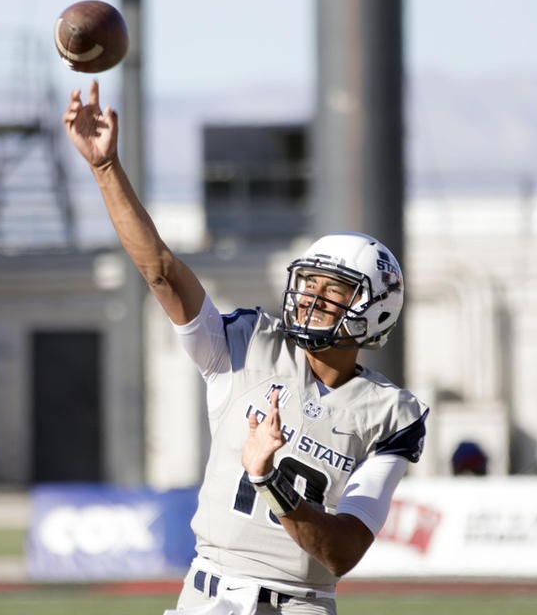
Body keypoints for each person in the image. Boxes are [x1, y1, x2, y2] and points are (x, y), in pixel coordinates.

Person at [64, 81, 430, 615]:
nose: (312, 299)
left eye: (334, 291)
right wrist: (104, 168)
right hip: (209, 597)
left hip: (301, 603)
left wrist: (269, 479)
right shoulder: (246, 344)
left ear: (375, 308)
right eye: (310, 284)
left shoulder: (392, 414)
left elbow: (343, 551)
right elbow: (162, 272)